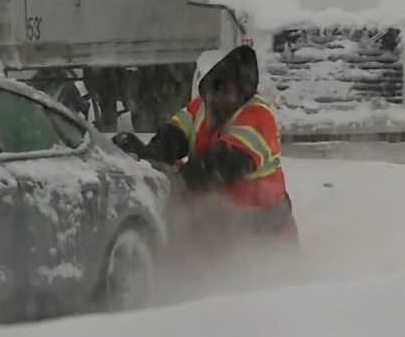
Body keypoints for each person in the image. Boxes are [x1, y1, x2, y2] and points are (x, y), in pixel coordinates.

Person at [119, 46, 298, 244]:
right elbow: (172, 136)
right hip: (223, 221)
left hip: (263, 225)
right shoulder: (202, 107)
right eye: (218, 89)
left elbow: (226, 165)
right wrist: (148, 157)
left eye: (230, 90)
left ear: (243, 91)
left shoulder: (258, 116)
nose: (221, 97)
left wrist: (180, 179)